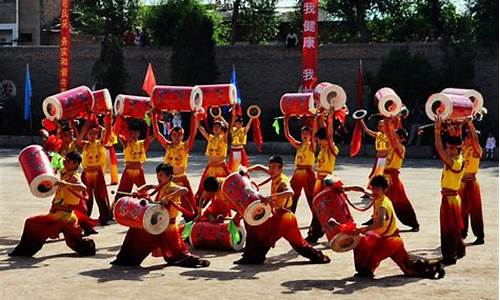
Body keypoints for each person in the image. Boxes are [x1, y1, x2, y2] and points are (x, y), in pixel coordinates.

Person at [234, 156, 330, 265]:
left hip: (285, 218)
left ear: (281, 168)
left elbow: (290, 192)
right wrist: (245, 170)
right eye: (270, 167)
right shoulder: (273, 173)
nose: (271, 170)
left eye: (274, 167)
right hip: (278, 216)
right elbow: (259, 167)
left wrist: (272, 197)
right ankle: (252, 257)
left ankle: (319, 257)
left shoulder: (283, 180)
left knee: (298, 244)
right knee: (257, 231)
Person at [111, 163, 209, 267]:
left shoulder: (171, 186)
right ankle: (126, 259)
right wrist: (138, 191)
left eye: (161, 175)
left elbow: (184, 190)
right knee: (134, 231)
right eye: (158, 175)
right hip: (158, 224)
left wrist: (169, 197)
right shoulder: (161, 186)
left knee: (177, 254)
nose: (158, 177)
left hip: (167, 227)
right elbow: (148, 186)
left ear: (169, 176)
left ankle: (197, 261)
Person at [353, 175, 445, 279]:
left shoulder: (383, 205)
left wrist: (362, 229)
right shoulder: (379, 197)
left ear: (385, 189)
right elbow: (364, 190)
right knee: (409, 267)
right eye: (373, 188)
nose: (374, 191)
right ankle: (434, 265)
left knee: (369, 256)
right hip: (395, 240)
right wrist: (348, 189)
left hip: (389, 242)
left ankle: (366, 272)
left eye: (377, 189)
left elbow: (380, 224)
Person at [9, 152, 96, 257]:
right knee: (73, 241)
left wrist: (67, 184)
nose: (65, 162)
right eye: (65, 160)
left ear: (75, 163)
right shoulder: (64, 173)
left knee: (32, 223)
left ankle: (23, 252)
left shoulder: (73, 176)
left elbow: (83, 188)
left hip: (63, 216)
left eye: (68, 161)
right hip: (66, 216)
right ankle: (88, 247)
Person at [152, 110, 198, 221]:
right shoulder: (168, 146)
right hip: (169, 181)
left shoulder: (185, 146)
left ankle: (192, 220)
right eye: (174, 134)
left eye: (179, 135)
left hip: (182, 178)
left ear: (182, 136)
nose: (176, 137)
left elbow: (193, 134)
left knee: (190, 205)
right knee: (159, 203)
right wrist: (153, 116)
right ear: (171, 135)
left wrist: (194, 117)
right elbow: (157, 134)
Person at [434, 116, 466, 265]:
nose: (447, 150)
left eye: (450, 148)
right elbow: (452, 143)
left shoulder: (455, 161)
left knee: (448, 228)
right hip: (450, 197)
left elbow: (439, 150)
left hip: (450, 199)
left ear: (456, 149)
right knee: (453, 227)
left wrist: (437, 131)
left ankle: (450, 256)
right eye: (448, 148)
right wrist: (452, 127)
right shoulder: (459, 158)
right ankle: (458, 250)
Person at [383, 117, 420, 231]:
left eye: (397, 136)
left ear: (402, 138)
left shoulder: (401, 148)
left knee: (401, 203)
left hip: (393, 179)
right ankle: (383, 224)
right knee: (383, 201)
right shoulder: (391, 147)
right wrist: (386, 121)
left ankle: (414, 224)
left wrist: (390, 124)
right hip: (385, 177)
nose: (393, 137)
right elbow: (389, 135)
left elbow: (393, 138)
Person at [307, 112, 339, 243]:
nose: (319, 143)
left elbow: (329, 135)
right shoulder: (322, 149)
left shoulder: (332, 149)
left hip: (327, 181)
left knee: (326, 209)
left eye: (320, 140)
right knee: (318, 208)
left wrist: (330, 118)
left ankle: (319, 233)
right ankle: (316, 232)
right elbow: (322, 131)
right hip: (318, 180)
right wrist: (319, 119)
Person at [75, 115, 113, 225]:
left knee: (100, 195)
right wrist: (85, 125)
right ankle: (85, 217)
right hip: (86, 173)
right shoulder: (85, 145)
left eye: (94, 133)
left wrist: (98, 123)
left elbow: (106, 132)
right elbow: (78, 140)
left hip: (97, 173)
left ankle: (105, 217)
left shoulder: (100, 143)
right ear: (86, 135)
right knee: (87, 197)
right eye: (90, 133)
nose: (92, 136)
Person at [113, 120, 153, 206]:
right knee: (122, 192)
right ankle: (114, 209)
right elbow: (115, 133)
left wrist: (149, 125)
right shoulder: (125, 143)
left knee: (144, 192)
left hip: (139, 171)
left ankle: (149, 208)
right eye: (131, 133)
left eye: (136, 133)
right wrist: (119, 118)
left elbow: (154, 136)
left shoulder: (142, 143)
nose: (133, 135)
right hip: (128, 171)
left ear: (138, 133)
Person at [283, 116, 317, 213]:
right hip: (297, 172)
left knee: (311, 196)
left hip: (308, 172)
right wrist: (286, 121)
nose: (305, 135)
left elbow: (315, 133)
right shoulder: (299, 145)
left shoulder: (312, 146)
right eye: (303, 133)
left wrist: (314, 120)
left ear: (310, 135)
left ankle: (317, 221)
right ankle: (290, 217)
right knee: (292, 196)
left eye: (307, 133)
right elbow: (288, 136)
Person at [459, 120, 484, 245]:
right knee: (461, 209)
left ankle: (480, 236)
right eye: (467, 137)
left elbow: (475, 139)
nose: (467, 139)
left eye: (469, 137)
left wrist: (470, 124)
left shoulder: (477, 150)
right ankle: (462, 233)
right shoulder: (462, 148)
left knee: (475, 210)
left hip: (472, 182)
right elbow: (457, 136)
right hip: (461, 183)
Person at [195, 116, 230, 199]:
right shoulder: (210, 138)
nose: (216, 129)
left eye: (218, 127)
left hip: (221, 167)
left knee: (224, 187)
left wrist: (221, 118)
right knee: (205, 187)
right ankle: (200, 206)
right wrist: (196, 117)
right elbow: (200, 128)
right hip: (210, 167)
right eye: (214, 127)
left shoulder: (224, 138)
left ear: (222, 129)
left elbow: (230, 128)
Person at [360, 118, 389, 183]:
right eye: (379, 125)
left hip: (386, 159)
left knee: (382, 176)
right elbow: (366, 130)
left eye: (382, 124)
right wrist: (361, 121)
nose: (381, 126)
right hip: (378, 158)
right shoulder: (377, 134)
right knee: (375, 175)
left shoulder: (389, 134)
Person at [228, 107, 253, 172]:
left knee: (241, 166)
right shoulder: (232, 130)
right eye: (238, 122)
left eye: (241, 123)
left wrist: (251, 117)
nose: (239, 124)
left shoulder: (243, 130)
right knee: (232, 166)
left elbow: (248, 125)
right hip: (233, 149)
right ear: (235, 123)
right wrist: (233, 116)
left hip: (240, 149)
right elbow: (229, 125)